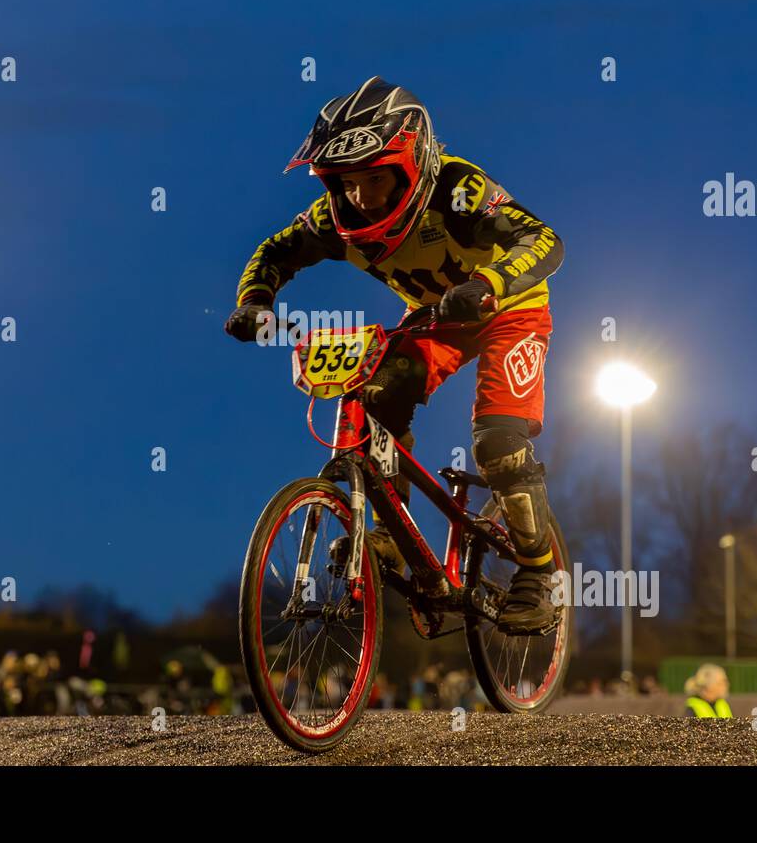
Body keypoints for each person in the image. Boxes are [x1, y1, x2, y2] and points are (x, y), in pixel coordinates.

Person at [225, 77, 564, 634]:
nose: (362, 197)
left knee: (499, 442)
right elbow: (275, 251)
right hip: (435, 318)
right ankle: (390, 534)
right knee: (378, 397)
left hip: (509, 309)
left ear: (414, 165)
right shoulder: (335, 219)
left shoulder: (459, 191)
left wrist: (490, 283)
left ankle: (539, 574)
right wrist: (255, 303)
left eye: (377, 178)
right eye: (348, 183)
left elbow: (545, 240)